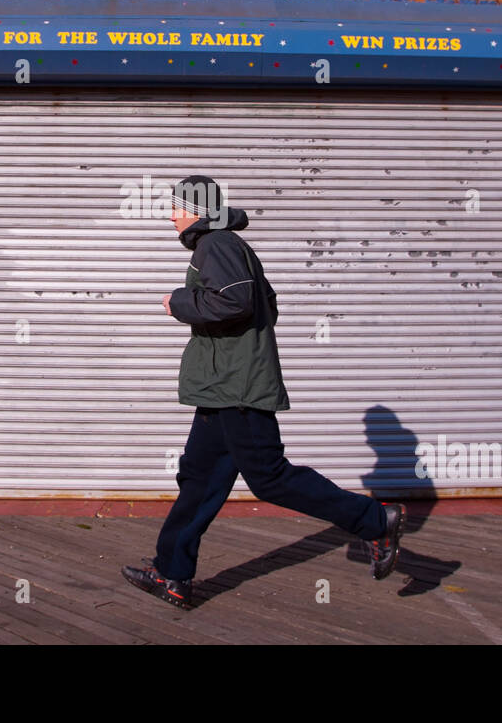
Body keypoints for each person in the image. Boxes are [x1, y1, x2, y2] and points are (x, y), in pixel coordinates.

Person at [122, 175, 405, 610]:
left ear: (198, 210)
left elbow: (237, 303)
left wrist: (178, 302)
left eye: (178, 205)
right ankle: (172, 573)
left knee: (269, 477)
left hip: (237, 390)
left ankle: (374, 521)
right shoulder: (225, 246)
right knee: (199, 480)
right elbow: (267, 305)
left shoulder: (216, 245)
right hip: (222, 389)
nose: (171, 214)